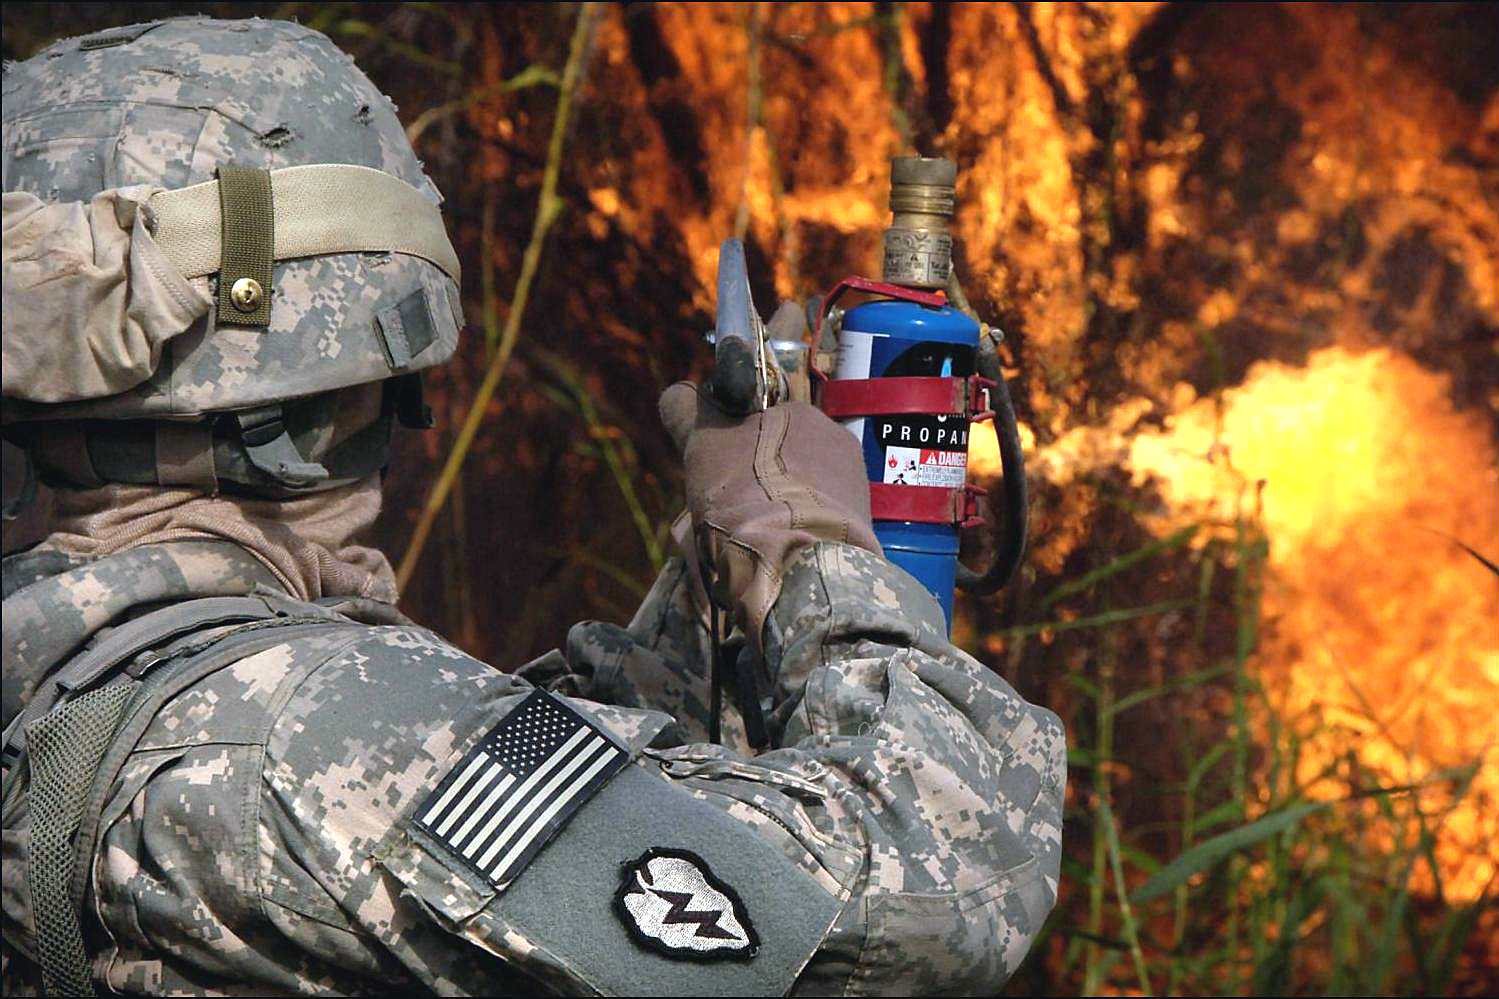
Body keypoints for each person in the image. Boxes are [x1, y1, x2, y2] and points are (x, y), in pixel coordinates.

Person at [0, 16, 1065, 997]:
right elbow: (937, 892)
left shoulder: (80, 676)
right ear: (336, 389)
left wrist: (721, 568)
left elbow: (549, 787)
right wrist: (817, 561)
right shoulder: (299, 731)